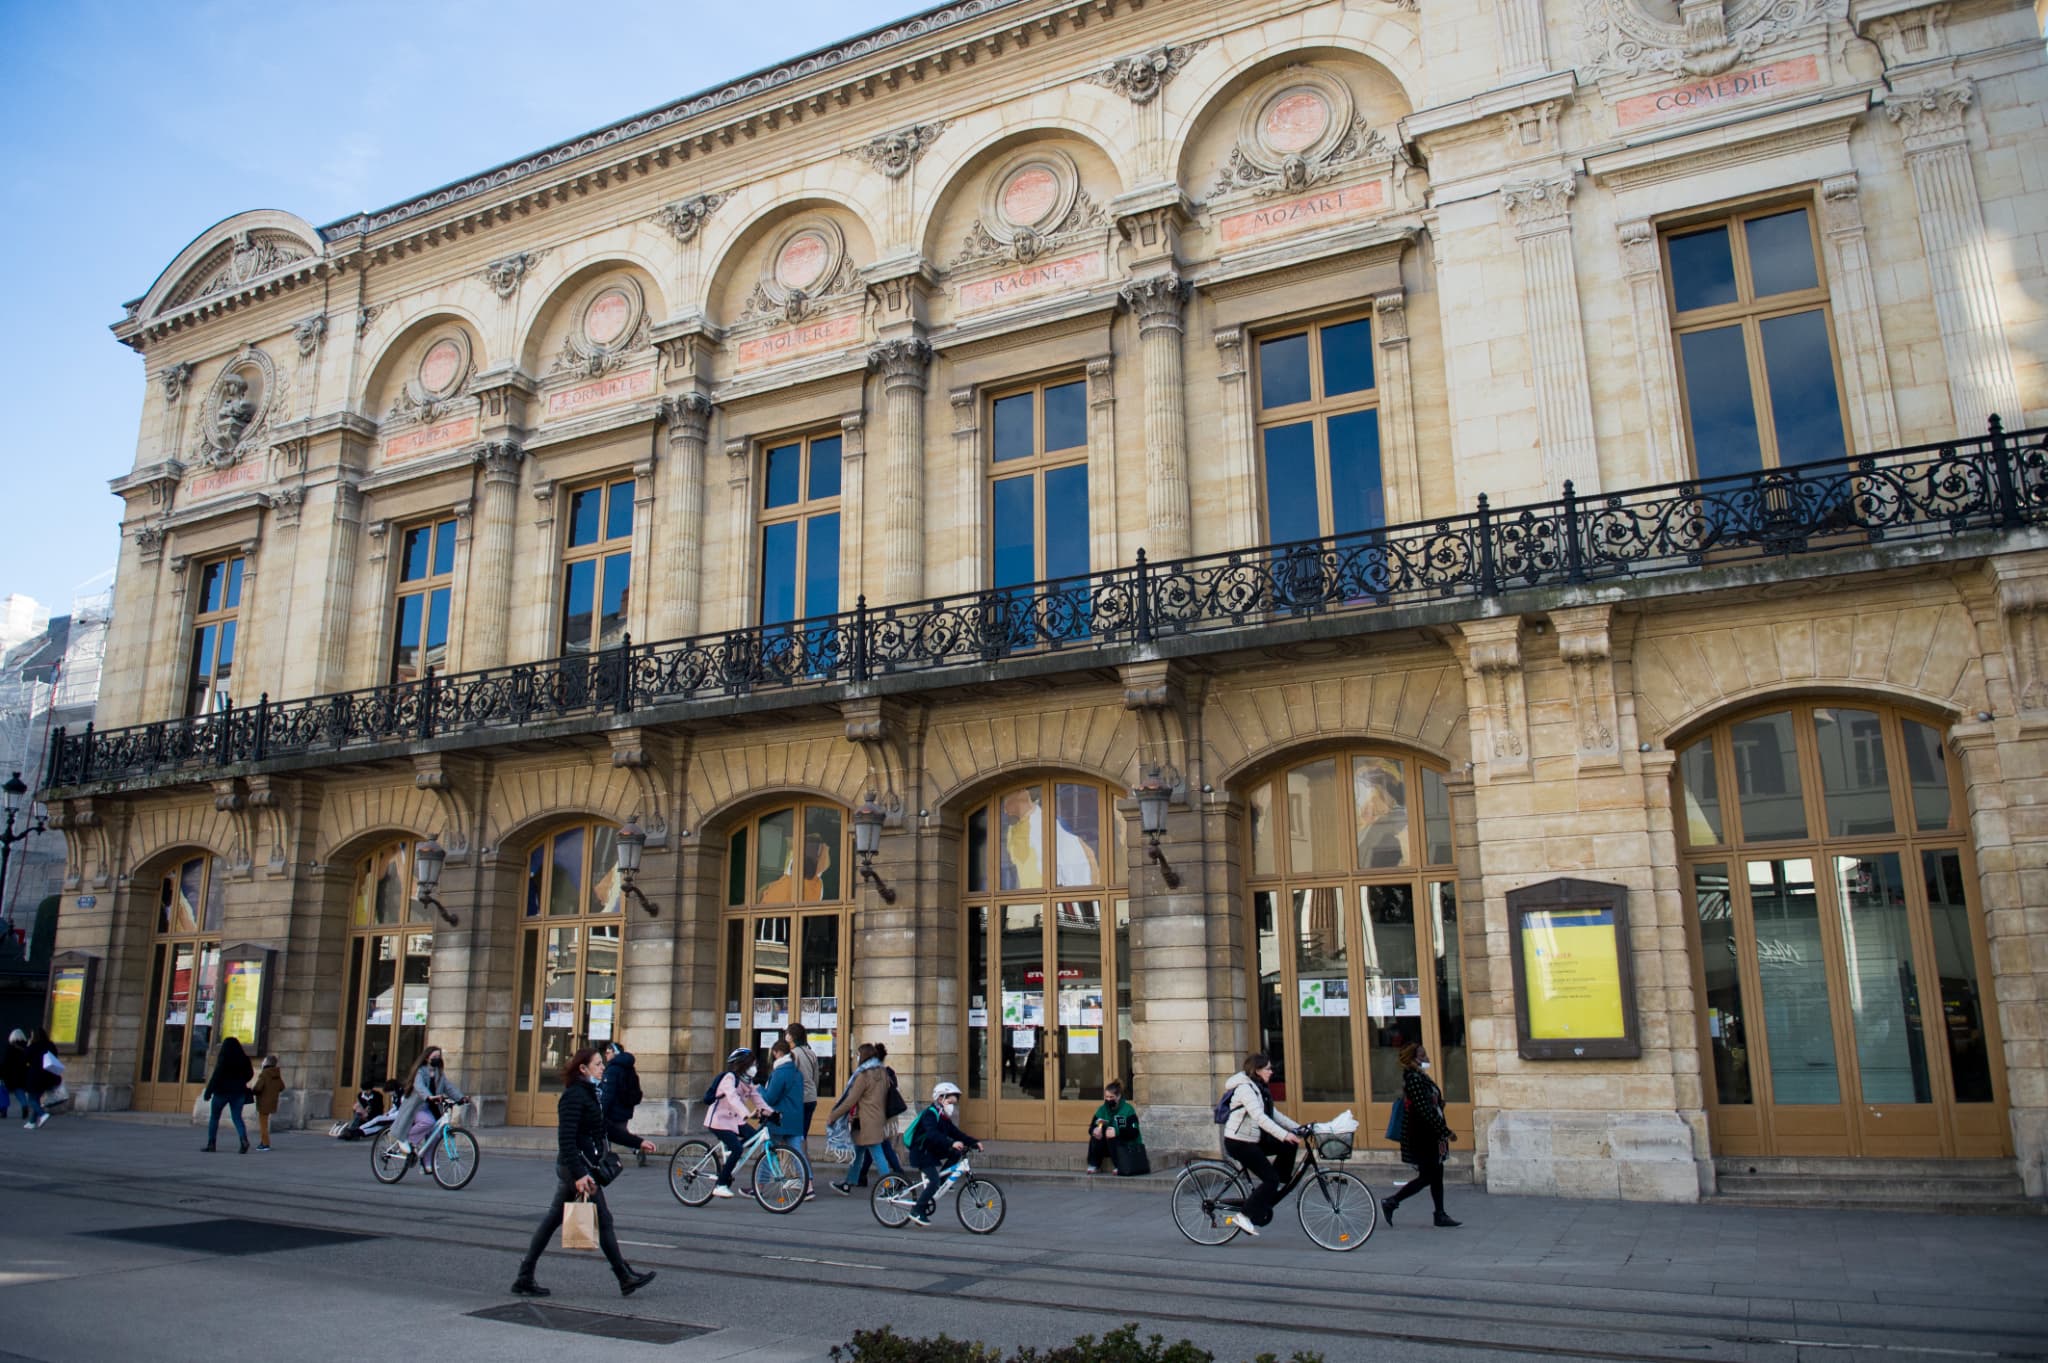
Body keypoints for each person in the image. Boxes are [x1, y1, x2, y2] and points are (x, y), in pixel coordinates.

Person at [510, 1046, 658, 1299]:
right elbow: (566, 1139)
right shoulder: (574, 1096)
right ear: (583, 1068)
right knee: (603, 1220)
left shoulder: (591, 1093)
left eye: (602, 1063)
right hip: (575, 1169)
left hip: (579, 1169)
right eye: (598, 1064)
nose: (603, 1068)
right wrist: (579, 1175)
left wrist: (638, 1141)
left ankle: (524, 1276)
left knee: (553, 1221)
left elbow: (605, 1129)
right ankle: (624, 1277)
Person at [1221, 1052, 1301, 1237]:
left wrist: (1298, 1129)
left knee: (1288, 1146)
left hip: (1252, 1139)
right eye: (1268, 1069)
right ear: (1257, 1070)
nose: (1272, 1072)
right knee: (1269, 1178)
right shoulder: (1245, 1089)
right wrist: (1284, 1134)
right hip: (1238, 1142)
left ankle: (1274, 1188)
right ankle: (1244, 1215)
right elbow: (1260, 1117)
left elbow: (1274, 1114)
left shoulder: (1258, 1087)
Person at [1382, 1041, 1460, 1228]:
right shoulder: (1413, 1079)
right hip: (1423, 1136)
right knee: (1428, 1176)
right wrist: (1445, 1131)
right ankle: (1392, 1201)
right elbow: (1423, 1110)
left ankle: (1439, 1214)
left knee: (1436, 1174)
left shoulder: (1420, 1076)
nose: (1427, 1058)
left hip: (1431, 1135)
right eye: (1423, 1055)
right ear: (1413, 1059)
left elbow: (1430, 1103)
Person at [904, 1081, 981, 1228]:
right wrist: (950, 1143)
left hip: (931, 1150)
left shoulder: (943, 1117)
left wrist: (974, 1142)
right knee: (933, 1181)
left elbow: (956, 1133)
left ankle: (942, 1181)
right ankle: (917, 1210)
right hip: (921, 1152)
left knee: (956, 1152)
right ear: (940, 1099)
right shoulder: (930, 1114)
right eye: (950, 1101)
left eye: (954, 1103)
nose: (952, 1105)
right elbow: (932, 1134)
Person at [826, 1044, 889, 1194]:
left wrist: (833, 1116)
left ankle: (890, 1186)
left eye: (858, 1054)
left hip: (865, 1120)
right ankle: (849, 1182)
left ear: (864, 1056)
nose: (856, 1058)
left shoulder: (863, 1075)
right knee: (859, 1151)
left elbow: (850, 1100)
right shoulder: (882, 1071)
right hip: (877, 1117)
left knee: (877, 1153)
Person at [706, 1047, 768, 1198]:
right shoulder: (729, 1078)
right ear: (742, 1065)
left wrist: (773, 1113)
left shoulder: (747, 1081)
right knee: (737, 1149)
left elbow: (758, 1099)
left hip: (735, 1120)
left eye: (755, 1064)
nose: (754, 1068)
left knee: (754, 1137)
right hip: (719, 1121)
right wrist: (747, 1114)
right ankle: (720, 1185)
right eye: (751, 1064)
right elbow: (733, 1099)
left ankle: (731, 1159)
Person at [756, 1038, 813, 1198]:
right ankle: (808, 1187)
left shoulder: (780, 1072)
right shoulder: (796, 1072)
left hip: (779, 1119)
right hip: (795, 1118)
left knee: (768, 1153)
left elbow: (770, 1098)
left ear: (777, 1053)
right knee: (798, 1155)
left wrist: (759, 1089)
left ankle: (759, 1186)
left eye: (773, 1054)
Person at [390, 1045, 465, 1156]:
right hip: (417, 1107)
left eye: (439, 1056)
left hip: (432, 1108)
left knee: (435, 1135)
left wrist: (461, 1097)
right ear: (426, 1058)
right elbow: (419, 1086)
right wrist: (429, 1097)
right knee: (428, 1122)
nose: (437, 1059)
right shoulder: (420, 1071)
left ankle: (427, 1164)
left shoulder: (439, 1073)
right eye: (434, 1056)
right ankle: (405, 1139)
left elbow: (448, 1087)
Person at [202, 1036, 255, 1154]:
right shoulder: (244, 1059)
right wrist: (241, 1081)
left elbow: (216, 1076)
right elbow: (250, 1074)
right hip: (238, 1092)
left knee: (215, 1117)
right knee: (237, 1118)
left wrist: (208, 1092)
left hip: (222, 1092)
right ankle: (243, 1139)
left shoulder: (223, 1058)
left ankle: (211, 1143)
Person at [598, 1037, 645, 1166]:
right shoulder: (628, 1066)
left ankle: (604, 1158)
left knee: (607, 1132)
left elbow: (608, 1093)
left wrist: (602, 1109)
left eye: (608, 1052)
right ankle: (636, 1147)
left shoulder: (612, 1069)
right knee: (620, 1133)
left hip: (614, 1108)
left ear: (615, 1052)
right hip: (626, 1107)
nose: (606, 1055)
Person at [786, 1022, 820, 1194]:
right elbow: (816, 1077)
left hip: (798, 1099)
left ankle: (803, 1178)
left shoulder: (793, 1054)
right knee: (801, 1137)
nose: (785, 1036)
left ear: (791, 1037)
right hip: (811, 1098)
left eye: (787, 1033)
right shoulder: (811, 1052)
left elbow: (790, 1077)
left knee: (796, 1139)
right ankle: (801, 1176)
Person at [1085, 1080, 1145, 1175]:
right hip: (1108, 1147)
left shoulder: (1128, 1110)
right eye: (1106, 1097)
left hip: (1126, 1146)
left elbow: (1134, 1132)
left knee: (1111, 1132)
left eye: (1111, 1097)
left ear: (1119, 1096)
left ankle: (1120, 1165)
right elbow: (1092, 1127)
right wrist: (1094, 1130)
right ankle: (1094, 1164)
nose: (1109, 1100)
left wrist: (1117, 1132)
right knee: (1097, 1135)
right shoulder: (1101, 1110)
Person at [2, 1029, 50, 1128]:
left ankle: (42, 1114)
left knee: (30, 1099)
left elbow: (8, 1062)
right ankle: (32, 1122)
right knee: (33, 1097)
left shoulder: (26, 1047)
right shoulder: (48, 1046)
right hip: (33, 1075)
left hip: (24, 1075)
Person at [250, 1054, 285, 1151]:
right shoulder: (276, 1073)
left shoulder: (265, 1073)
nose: (262, 1062)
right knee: (264, 1122)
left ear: (266, 1063)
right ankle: (264, 1142)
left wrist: (252, 1091)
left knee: (263, 1124)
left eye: (264, 1061)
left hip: (263, 1101)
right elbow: (281, 1087)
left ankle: (265, 1143)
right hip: (272, 1101)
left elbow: (258, 1087)